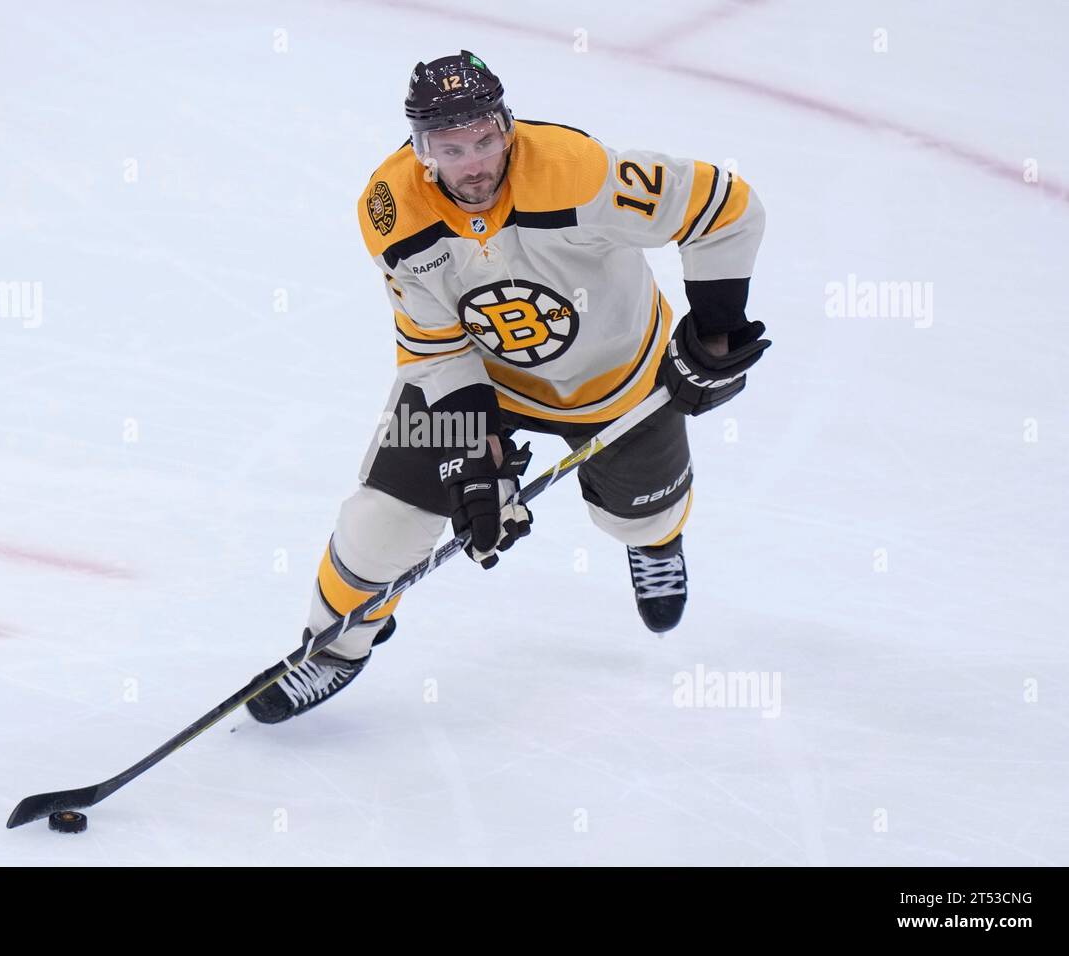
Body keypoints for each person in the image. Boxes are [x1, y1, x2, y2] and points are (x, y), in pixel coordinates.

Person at [248, 50, 769, 724]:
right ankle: (333, 649)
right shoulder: (392, 211)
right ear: (421, 149)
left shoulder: (579, 173)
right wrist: (473, 459)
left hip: (618, 374)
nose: (473, 164)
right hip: (486, 378)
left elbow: (725, 206)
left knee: (642, 515)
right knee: (382, 523)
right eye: (451, 148)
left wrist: (716, 336)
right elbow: (435, 346)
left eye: (485, 141)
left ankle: (656, 543)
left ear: (507, 126)